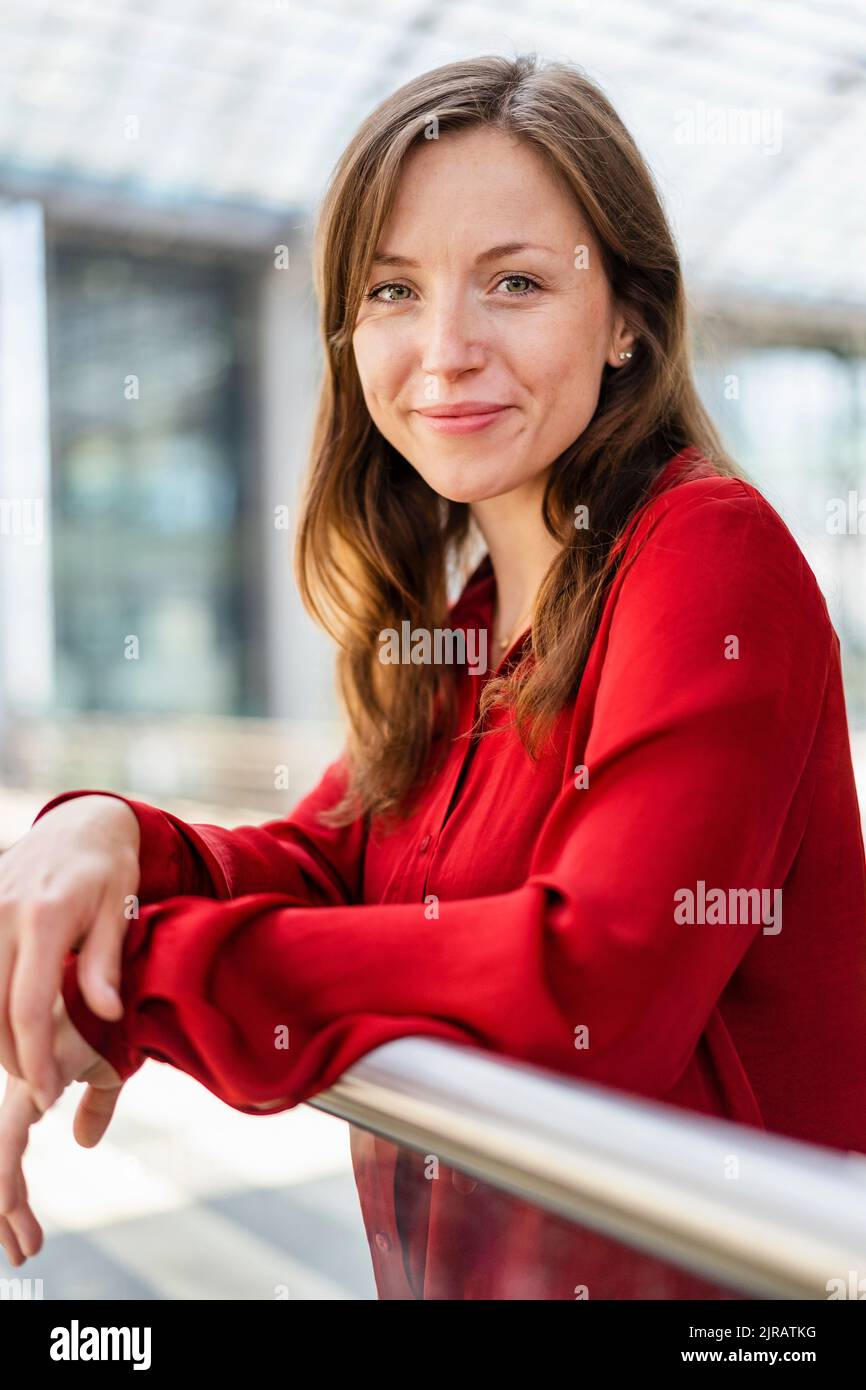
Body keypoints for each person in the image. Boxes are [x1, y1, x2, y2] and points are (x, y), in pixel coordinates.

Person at [1, 54, 864, 1300]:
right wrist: (111, 839)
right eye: (393, 289)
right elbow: (330, 865)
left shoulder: (706, 556)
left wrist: (132, 974)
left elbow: (593, 985)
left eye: (513, 282)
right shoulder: (463, 624)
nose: (444, 349)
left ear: (627, 317)